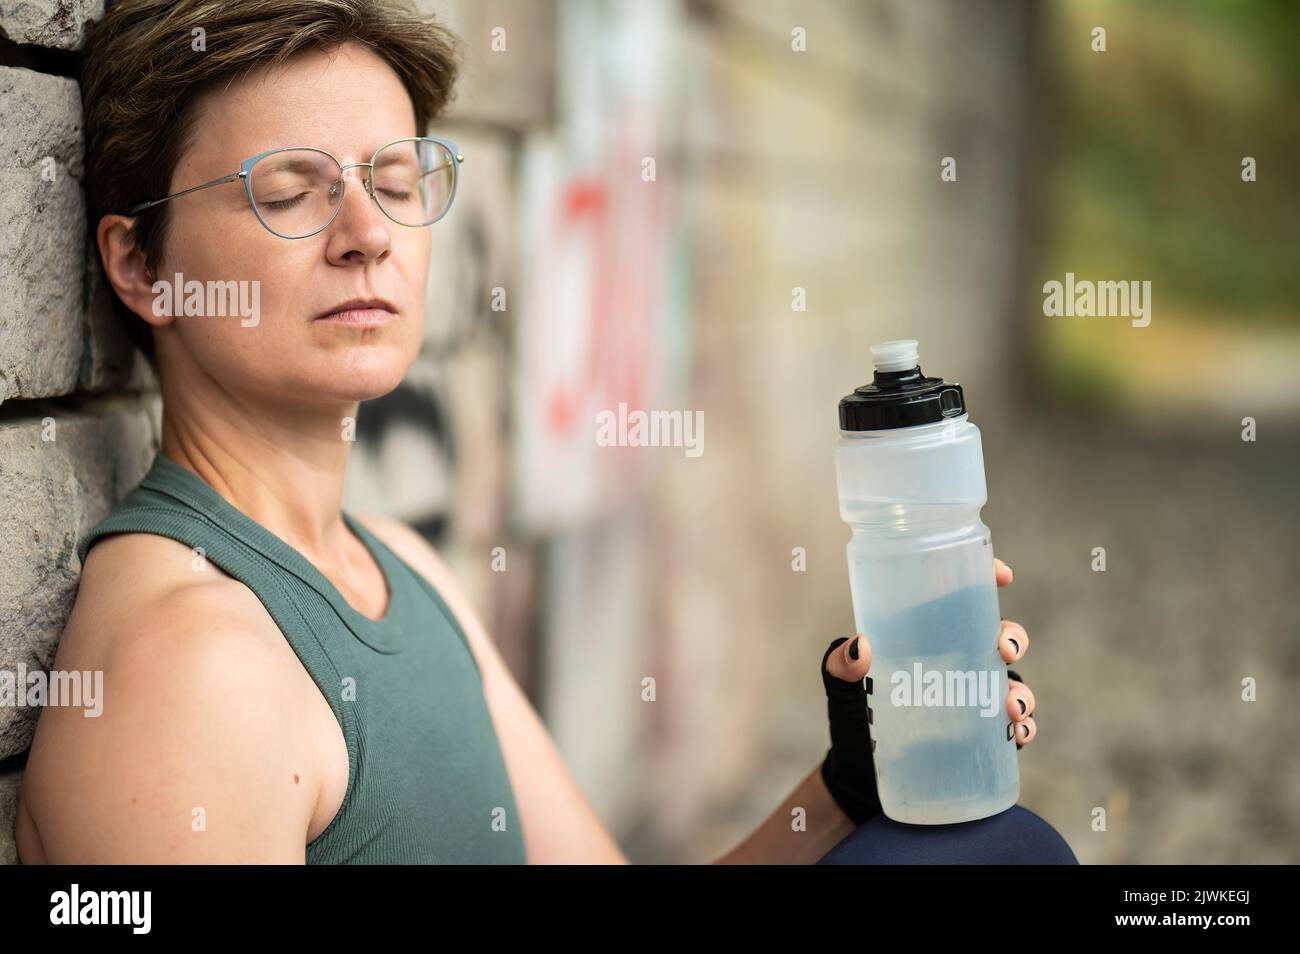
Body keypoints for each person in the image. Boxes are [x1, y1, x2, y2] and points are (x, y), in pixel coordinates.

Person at [14, 0, 1059, 864]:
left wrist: (845, 781)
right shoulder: (189, 666)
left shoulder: (401, 569)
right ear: (143, 266)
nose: (369, 237)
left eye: (392, 182)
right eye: (291, 191)